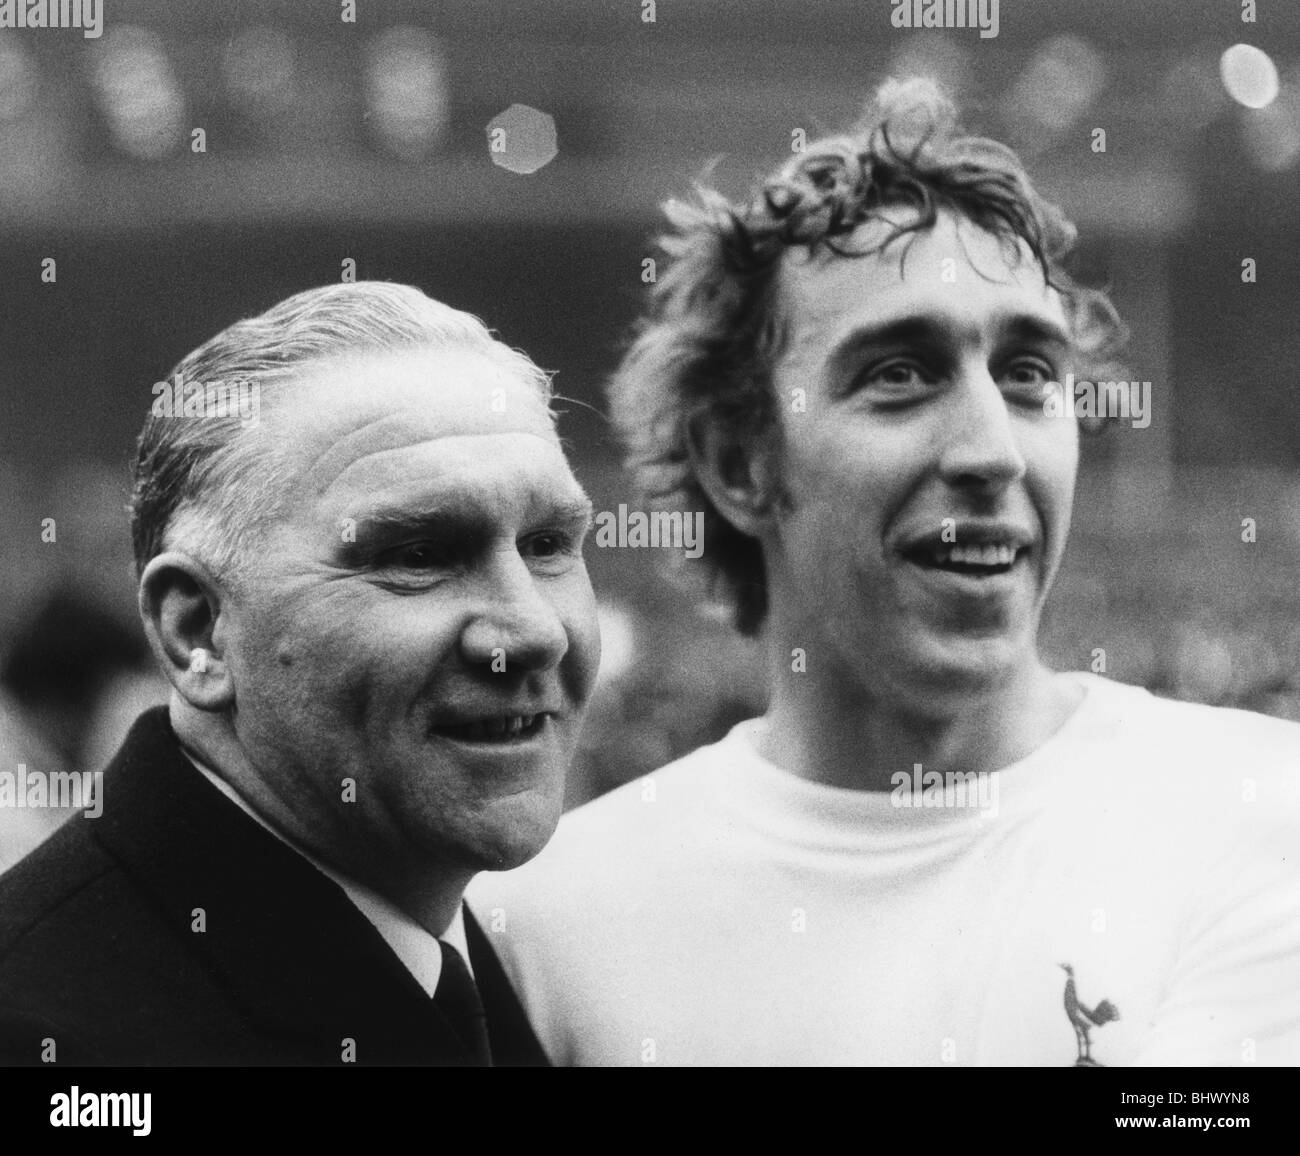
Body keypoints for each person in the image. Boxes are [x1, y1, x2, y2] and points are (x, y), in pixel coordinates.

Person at [467, 80, 1300, 1066]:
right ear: (740, 462)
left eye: (1028, 375)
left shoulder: (1261, 814)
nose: (991, 451)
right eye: (899, 374)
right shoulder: (538, 925)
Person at [0, 282, 600, 1066]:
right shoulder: (44, 1042)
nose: (531, 630)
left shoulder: (497, 966)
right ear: (197, 633)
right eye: (418, 556)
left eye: (549, 544)